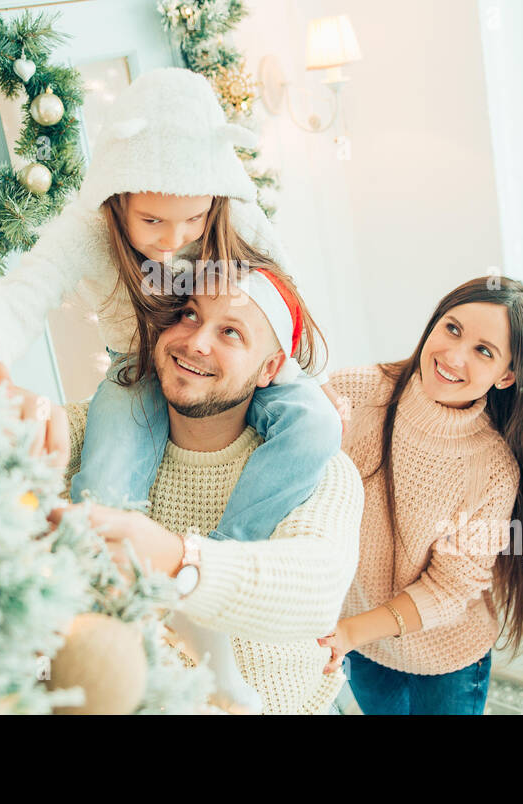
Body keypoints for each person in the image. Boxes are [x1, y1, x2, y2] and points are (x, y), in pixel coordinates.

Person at [0, 67, 343, 542]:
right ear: (117, 200)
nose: (172, 240)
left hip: (237, 359)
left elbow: (290, 293)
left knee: (318, 426)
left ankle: (227, 549)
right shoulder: (88, 227)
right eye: (152, 220)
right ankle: (103, 572)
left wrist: (318, 378)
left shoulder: (235, 212)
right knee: (105, 482)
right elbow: (26, 289)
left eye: (193, 220)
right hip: (139, 364)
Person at [39, 261, 363, 714]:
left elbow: (318, 586)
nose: (196, 341)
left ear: (270, 368)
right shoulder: (96, 430)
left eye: (231, 332)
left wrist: (180, 562)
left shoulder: (323, 469)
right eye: (188, 314)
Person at [318, 275, 523, 715]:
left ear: (507, 376)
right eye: (452, 329)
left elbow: (449, 588)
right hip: (364, 647)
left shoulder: (493, 468)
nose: (453, 355)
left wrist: (348, 631)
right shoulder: (356, 392)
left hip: (447, 659)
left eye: (484, 351)